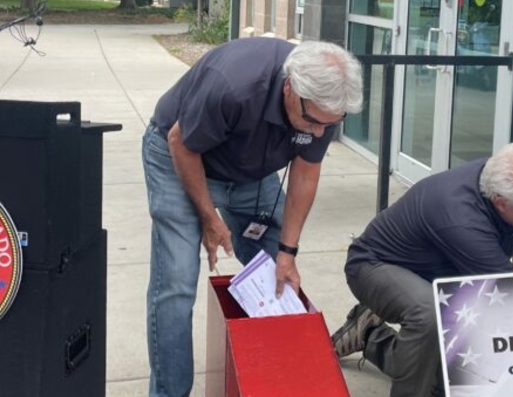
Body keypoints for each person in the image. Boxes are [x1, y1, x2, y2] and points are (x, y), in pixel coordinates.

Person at [142, 37, 364, 397]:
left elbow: (306, 173)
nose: (320, 132)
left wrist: (288, 252)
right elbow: (180, 142)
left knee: (280, 275)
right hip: (180, 157)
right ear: (291, 88)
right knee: (177, 284)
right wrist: (209, 217)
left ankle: (276, 384)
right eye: (313, 122)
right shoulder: (234, 85)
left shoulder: (323, 105)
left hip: (251, 173)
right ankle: (169, 393)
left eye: (331, 124)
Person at [332, 139, 513, 397]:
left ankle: (369, 334)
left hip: (441, 274)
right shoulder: (461, 219)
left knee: (447, 383)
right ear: (501, 203)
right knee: (428, 314)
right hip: (375, 266)